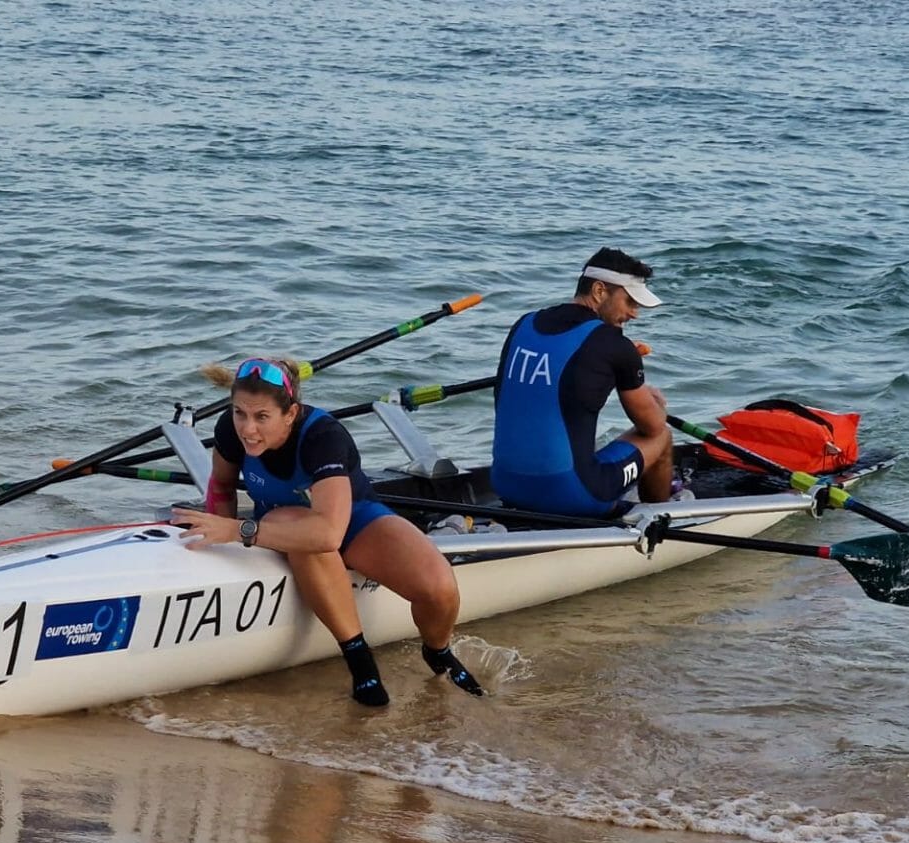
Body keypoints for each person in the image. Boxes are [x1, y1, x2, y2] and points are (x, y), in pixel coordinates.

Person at [170, 358, 482, 706]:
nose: (247, 428)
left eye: (262, 417)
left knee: (439, 589)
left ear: (290, 413)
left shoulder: (323, 437)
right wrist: (220, 558)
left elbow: (330, 535)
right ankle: (360, 661)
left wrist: (237, 530)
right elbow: (222, 486)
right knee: (295, 522)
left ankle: (438, 651)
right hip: (283, 524)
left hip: (355, 519)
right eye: (239, 413)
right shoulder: (230, 430)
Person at [490, 247, 675, 517]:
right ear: (599, 291)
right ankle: (662, 520)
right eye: (630, 302)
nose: (634, 314)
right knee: (662, 436)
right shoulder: (615, 345)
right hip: (575, 494)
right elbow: (653, 426)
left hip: (504, 484)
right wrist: (654, 402)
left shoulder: (523, 325)